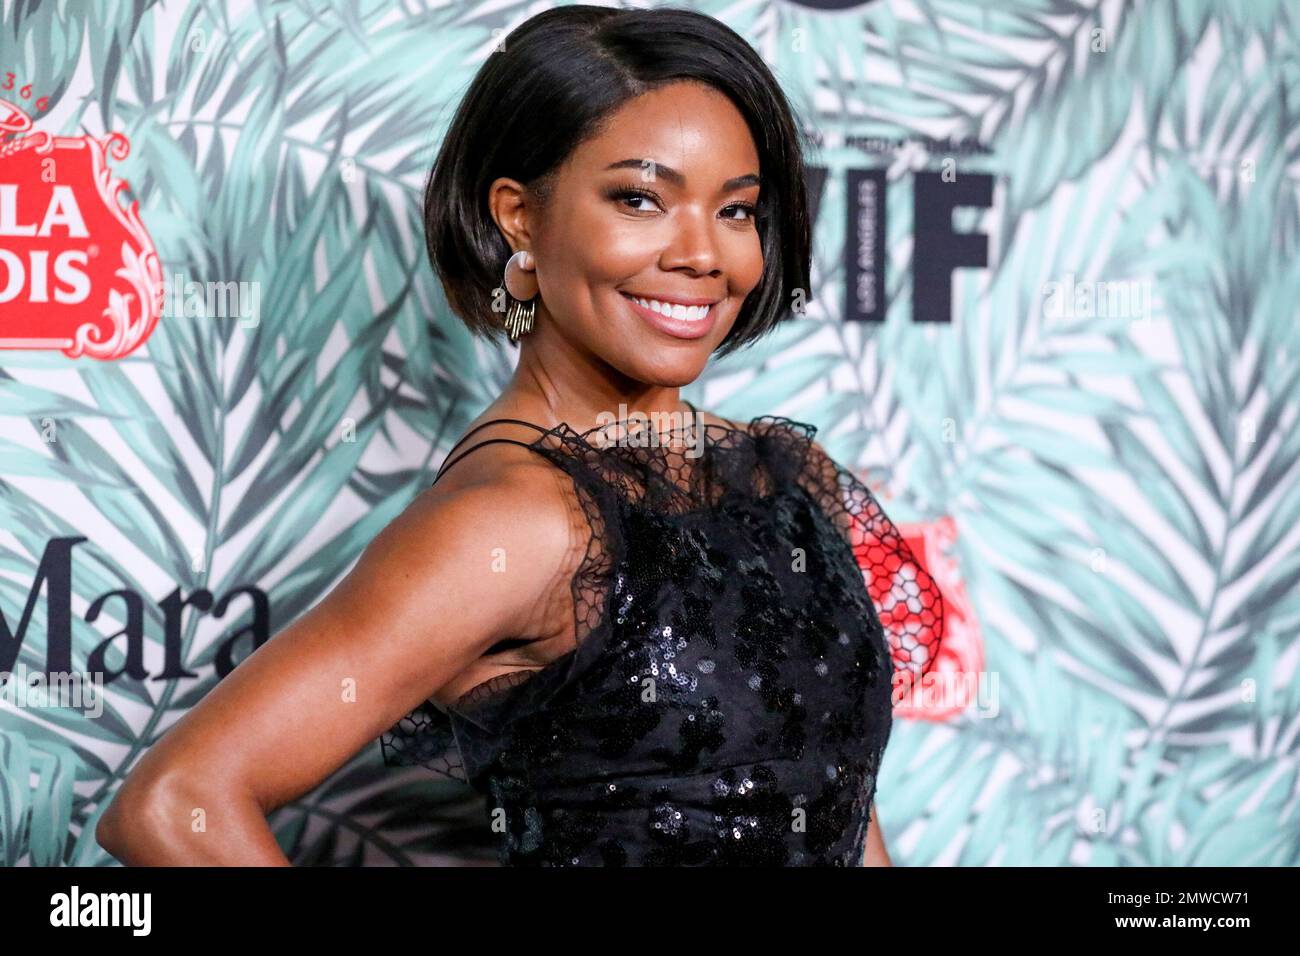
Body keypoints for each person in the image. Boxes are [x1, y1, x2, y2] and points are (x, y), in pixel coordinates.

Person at [95, 4, 943, 867]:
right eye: (641, 199)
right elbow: (176, 803)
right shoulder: (516, 520)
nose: (703, 255)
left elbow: (840, 809)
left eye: (736, 211)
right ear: (519, 219)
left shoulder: (788, 476)